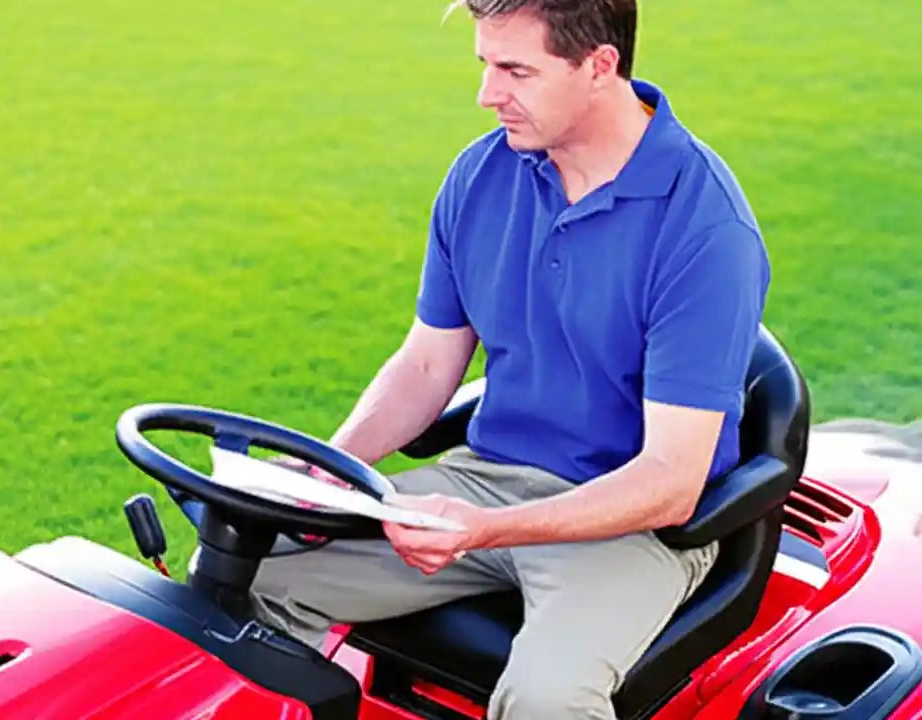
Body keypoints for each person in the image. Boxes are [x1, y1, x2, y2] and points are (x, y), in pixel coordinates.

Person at [241, 1, 770, 718]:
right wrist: (321, 469)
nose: (488, 93)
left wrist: (486, 530)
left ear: (599, 67)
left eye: (516, 69)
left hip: (629, 524)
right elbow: (428, 365)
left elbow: (670, 483)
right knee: (253, 574)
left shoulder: (704, 226)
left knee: (548, 699)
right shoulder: (482, 175)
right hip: (485, 482)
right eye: (486, 65)